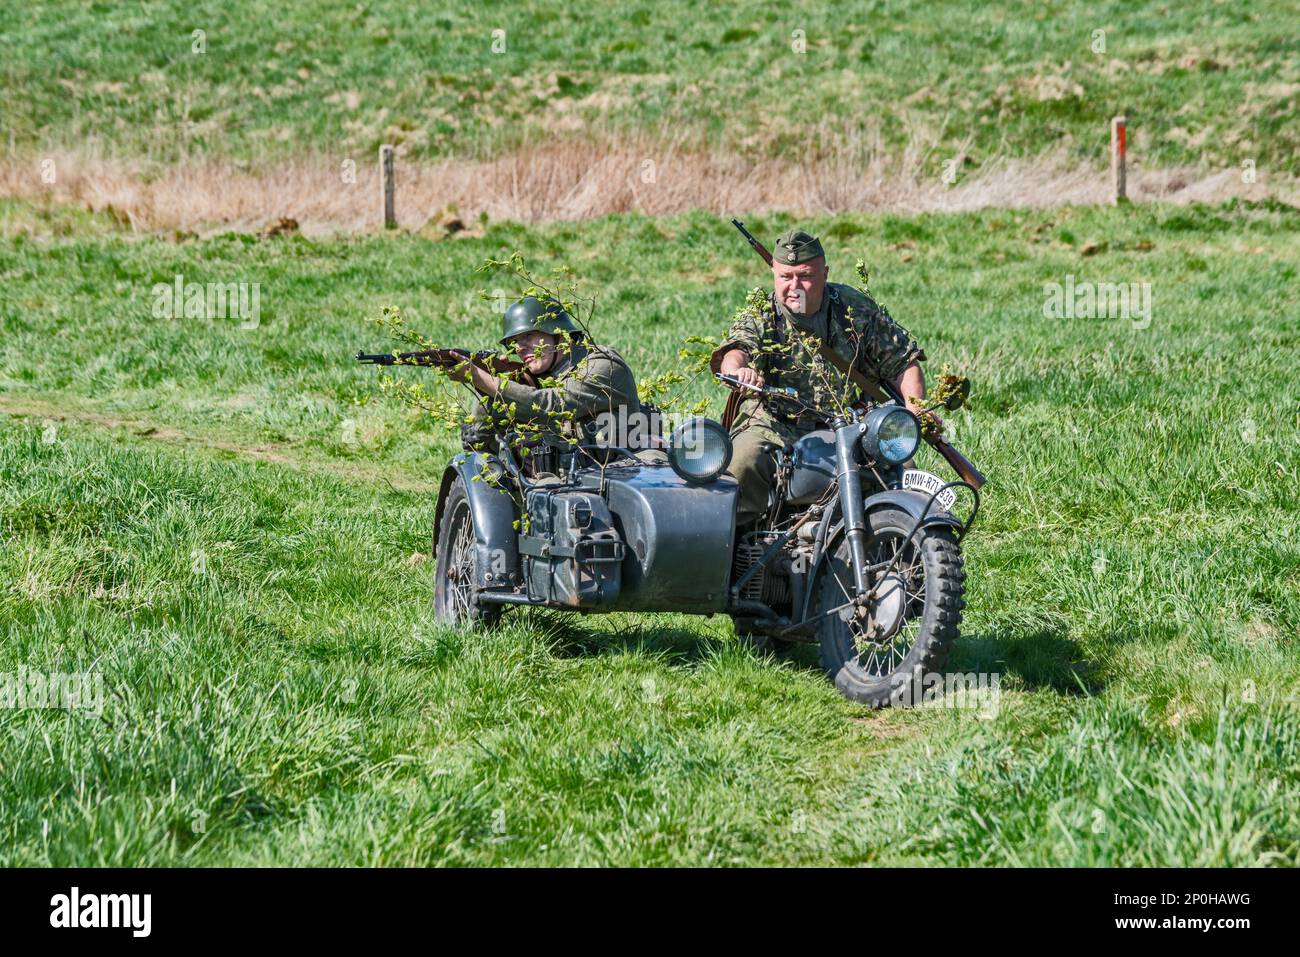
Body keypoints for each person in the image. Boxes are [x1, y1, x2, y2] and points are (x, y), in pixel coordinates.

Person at [710, 228, 932, 525]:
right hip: (774, 423)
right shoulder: (762, 313)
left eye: (805, 276)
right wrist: (738, 370)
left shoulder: (853, 309)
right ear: (773, 275)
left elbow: (903, 361)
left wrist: (915, 407)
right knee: (742, 465)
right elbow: (736, 350)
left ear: (824, 273)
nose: (795, 287)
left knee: (899, 461)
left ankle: (902, 549)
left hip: (850, 422)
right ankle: (736, 556)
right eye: (785, 277)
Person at [456, 296, 639, 462]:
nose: (519, 347)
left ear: (560, 334)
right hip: (564, 476)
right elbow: (479, 440)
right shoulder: (537, 375)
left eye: (528, 335)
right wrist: (493, 381)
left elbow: (551, 404)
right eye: (514, 342)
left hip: (620, 468)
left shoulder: (602, 364)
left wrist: (481, 378)